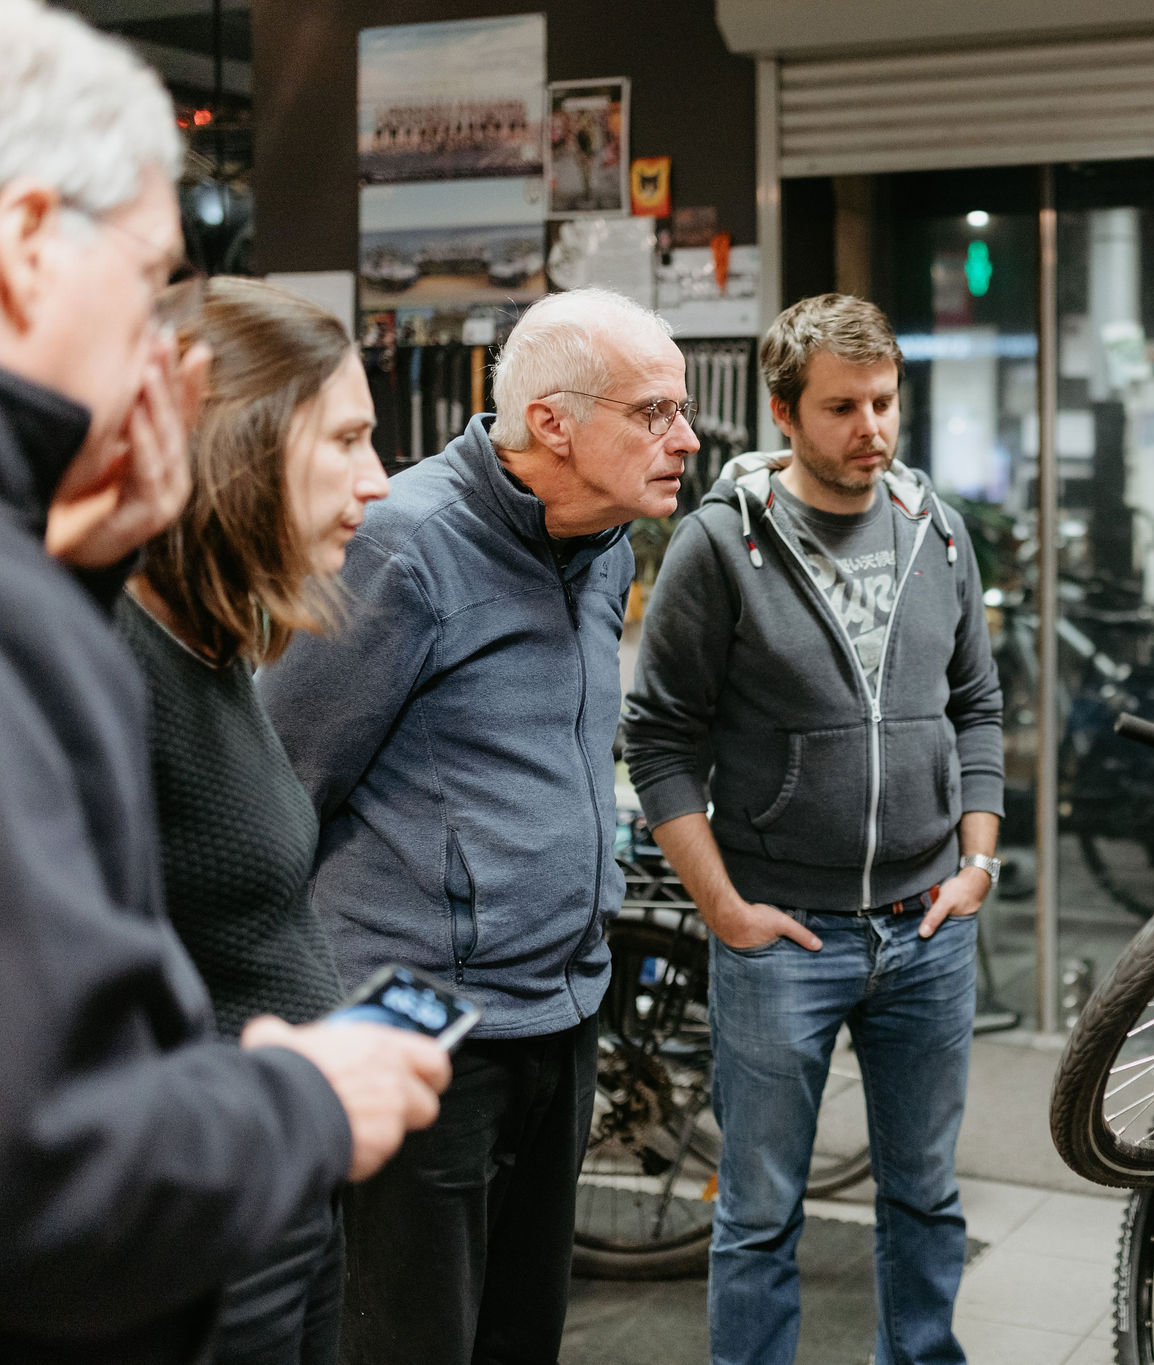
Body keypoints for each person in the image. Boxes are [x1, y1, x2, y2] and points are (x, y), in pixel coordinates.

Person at [0, 4, 450, 1361]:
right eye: (147, 281)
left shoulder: (77, 604)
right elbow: (46, 1161)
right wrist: (304, 1100)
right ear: (28, 245)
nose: (157, 345)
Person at [258, 286, 697, 1365]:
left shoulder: (602, 548)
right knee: (410, 1342)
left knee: (519, 1335)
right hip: (425, 1030)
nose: (684, 439)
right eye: (652, 412)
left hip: (561, 1010)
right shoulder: (400, 548)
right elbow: (280, 786)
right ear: (551, 422)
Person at [623, 293, 1004, 1365]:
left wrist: (975, 861)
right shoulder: (719, 548)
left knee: (924, 1198)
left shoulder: (937, 532)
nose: (871, 429)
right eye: (842, 408)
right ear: (784, 413)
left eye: (883, 402)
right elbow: (658, 744)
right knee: (758, 1215)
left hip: (927, 926)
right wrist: (721, 905)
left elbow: (976, 704)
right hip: (781, 933)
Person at [114, 277, 393, 1365]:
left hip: (281, 1175)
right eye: (349, 442)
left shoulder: (216, 644)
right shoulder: (111, 663)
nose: (376, 483)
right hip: (199, 1211)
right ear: (246, 447)